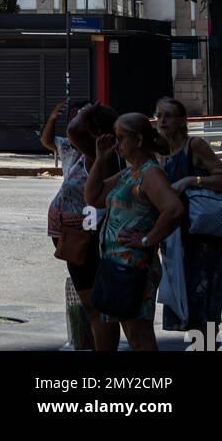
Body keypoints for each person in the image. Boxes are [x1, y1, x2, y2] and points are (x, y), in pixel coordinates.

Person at [85, 113, 185, 351]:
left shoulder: (150, 173)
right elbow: (93, 197)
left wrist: (147, 239)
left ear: (138, 140)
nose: (117, 145)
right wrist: (100, 159)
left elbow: (173, 209)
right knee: (128, 331)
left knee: (139, 336)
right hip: (116, 266)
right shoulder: (131, 172)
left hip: (134, 269)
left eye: (121, 138)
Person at [46, 102, 120, 351]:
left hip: (88, 237)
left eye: (84, 120)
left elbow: (74, 131)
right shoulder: (99, 154)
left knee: (97, 307)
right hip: (79, 236)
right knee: (93, 307)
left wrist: (91, 107)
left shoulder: (102, 154)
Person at [155, 96, 222, 336]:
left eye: (168, 116)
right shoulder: (161, 152)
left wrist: (192, 180)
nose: (162, 120)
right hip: (175, 240)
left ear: (182, 121)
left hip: (201, 241)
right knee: (187, 310)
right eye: (159, 114)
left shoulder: (194, 146)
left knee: (203, 308)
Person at [41, 99, 84, 174]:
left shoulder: (95, 146)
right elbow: (46, 141)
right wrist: (52, 118)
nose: (73, 124)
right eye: (71, 119)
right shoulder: (67, 145)